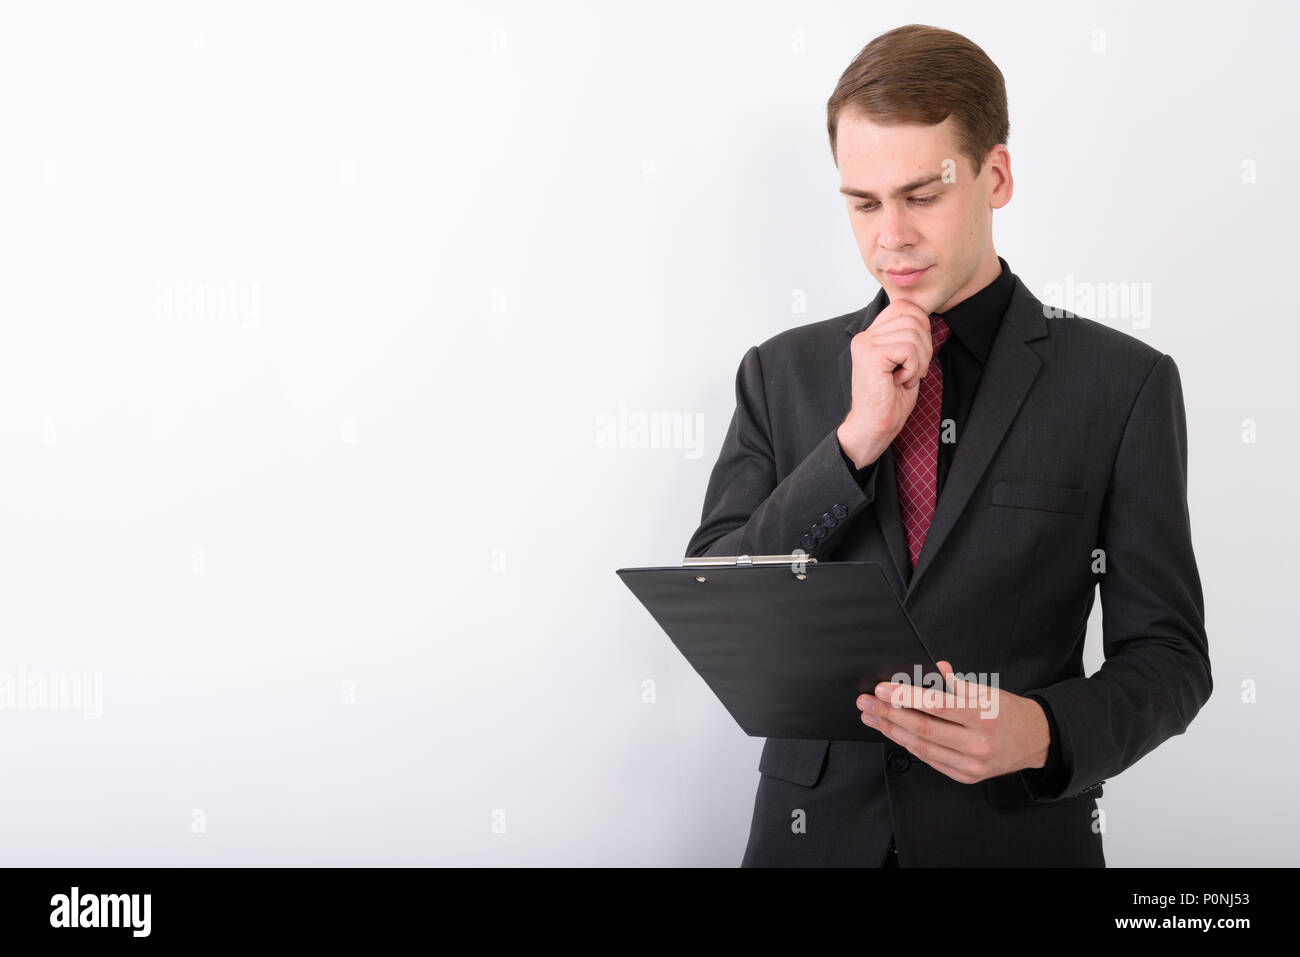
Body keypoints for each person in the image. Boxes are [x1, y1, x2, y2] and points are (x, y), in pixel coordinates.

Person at [683, 23, 1211, 867]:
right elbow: (719, 600)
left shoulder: (1123, 384)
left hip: (1014, 838)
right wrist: (853, 443)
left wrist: (1042, 731)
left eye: (921, 196)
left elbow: (1172, 658)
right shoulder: (780, 374)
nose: (889, 236)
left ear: (995, 175)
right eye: (863, 203)